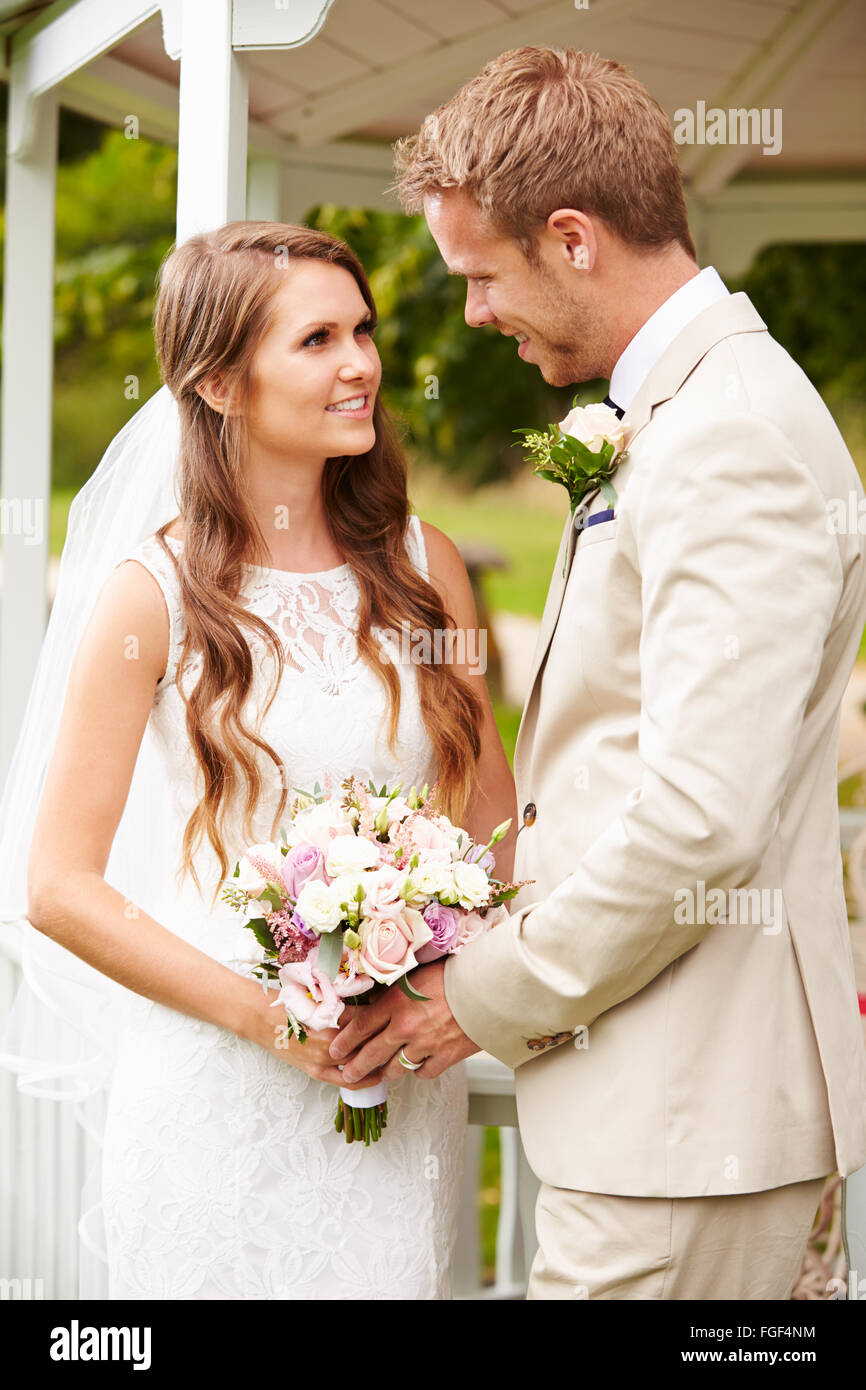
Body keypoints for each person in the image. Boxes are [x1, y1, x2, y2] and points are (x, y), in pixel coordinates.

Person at [330, 46, 866, 1300]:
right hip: (655, 1122)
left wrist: (481, 993)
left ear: (571, 239)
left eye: (480, 276)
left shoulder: (723, 434)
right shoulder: (673, 413)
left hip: (687, 1136)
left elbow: (695, 818)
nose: (471, 314)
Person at [1, 221, 516, 1299]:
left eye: (363, 331)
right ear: (224, 382)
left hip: (391, 1077)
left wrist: (440, 981)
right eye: (317, 339)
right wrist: (270, 1020)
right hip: (213, 1088)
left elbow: (488, 812)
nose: (361, 364)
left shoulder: (425, 568)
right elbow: (56, 887)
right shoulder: (153, 597)